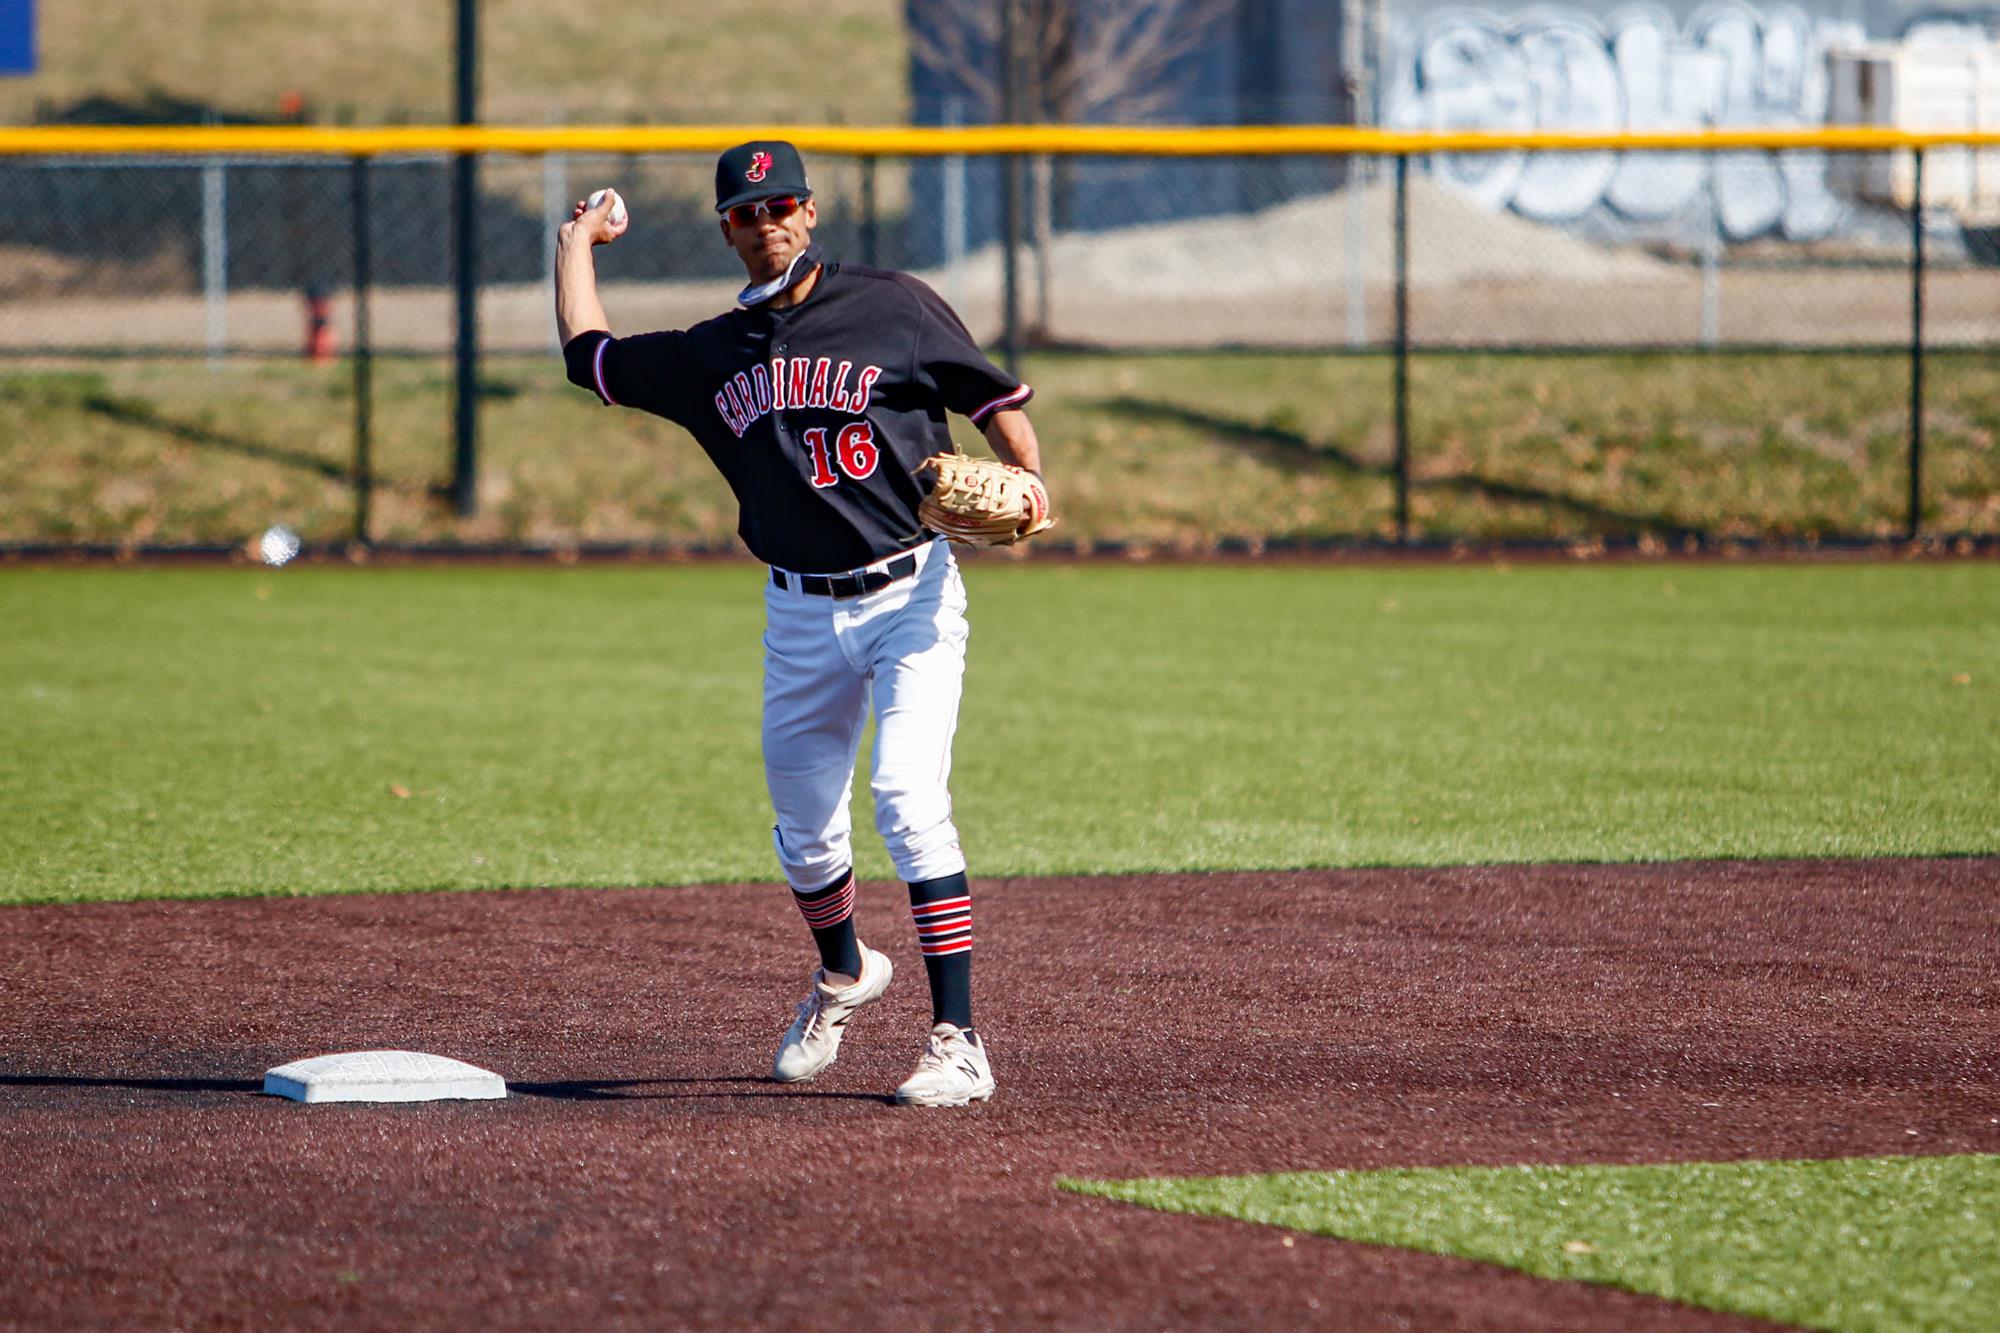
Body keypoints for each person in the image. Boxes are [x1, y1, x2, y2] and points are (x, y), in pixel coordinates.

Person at [554, 141, 1048, 1107]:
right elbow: (589, 359)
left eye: (782, 204)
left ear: (810, 212)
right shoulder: (712, 354)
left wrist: (1030, 475)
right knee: (807, 834)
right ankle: (845, 972)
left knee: (907, 798)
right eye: (747, 212)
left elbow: (993, 398)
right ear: (727, 230)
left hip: (911, 596)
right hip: (797, 611)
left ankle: (959, 1041)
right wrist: (575, 243)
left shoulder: (894, 306)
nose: (767, 222)